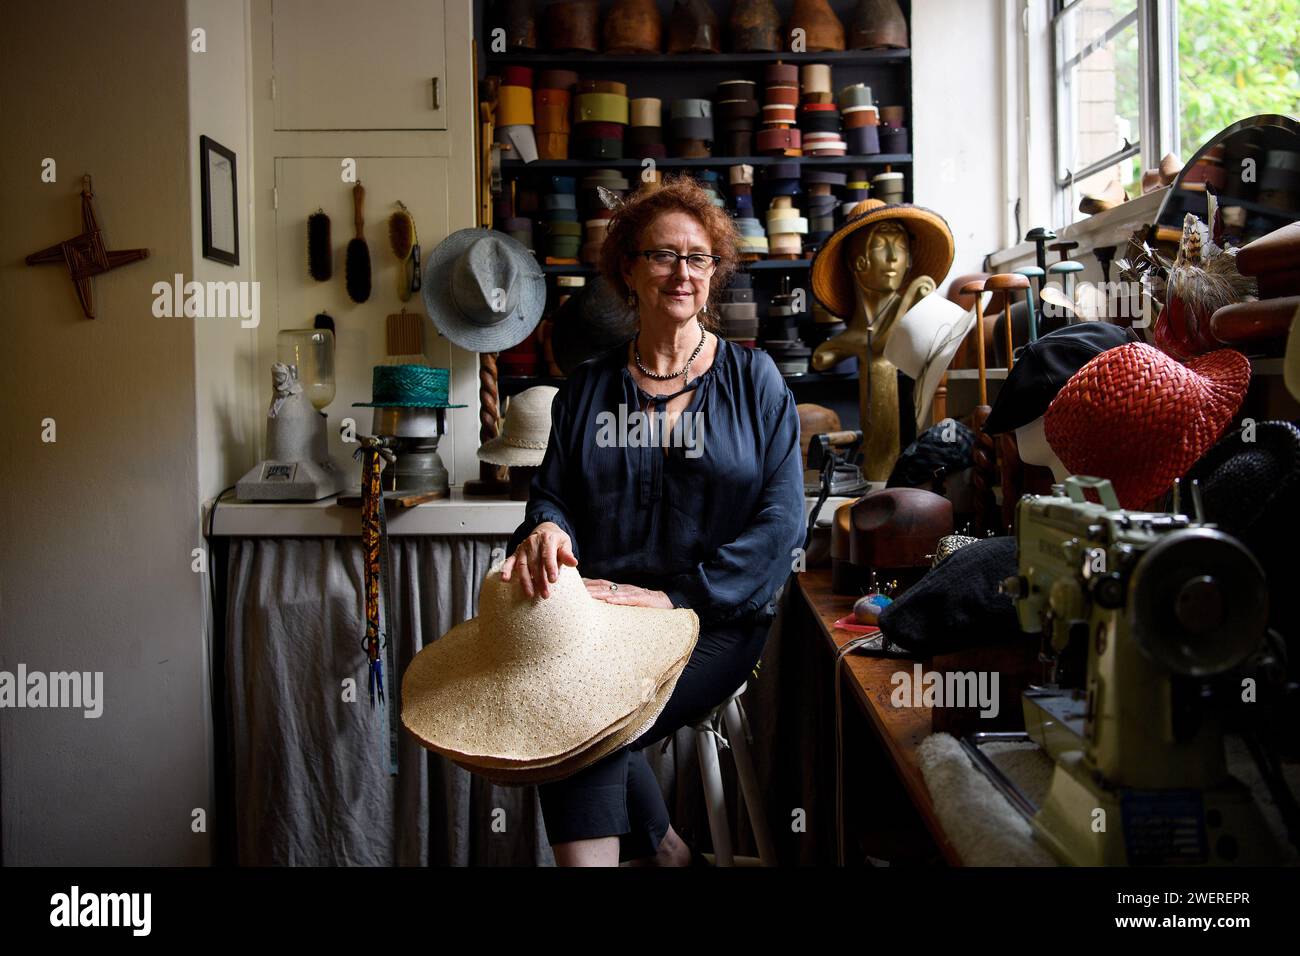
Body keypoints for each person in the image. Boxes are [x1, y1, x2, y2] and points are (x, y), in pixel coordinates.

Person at [501, 175, 806, 866]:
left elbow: (783, 524)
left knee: (578, 706)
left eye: (698, 258)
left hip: (715, 623)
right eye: (663, 256)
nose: (682, 272)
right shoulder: (585, 390)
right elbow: (553, 496)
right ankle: (667, 848)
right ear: (628, 270)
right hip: (606, 619)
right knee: (567, 685)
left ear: (714, 271)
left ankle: (655, 852)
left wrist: (675, 597)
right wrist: (547, 528)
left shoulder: (756, 382)